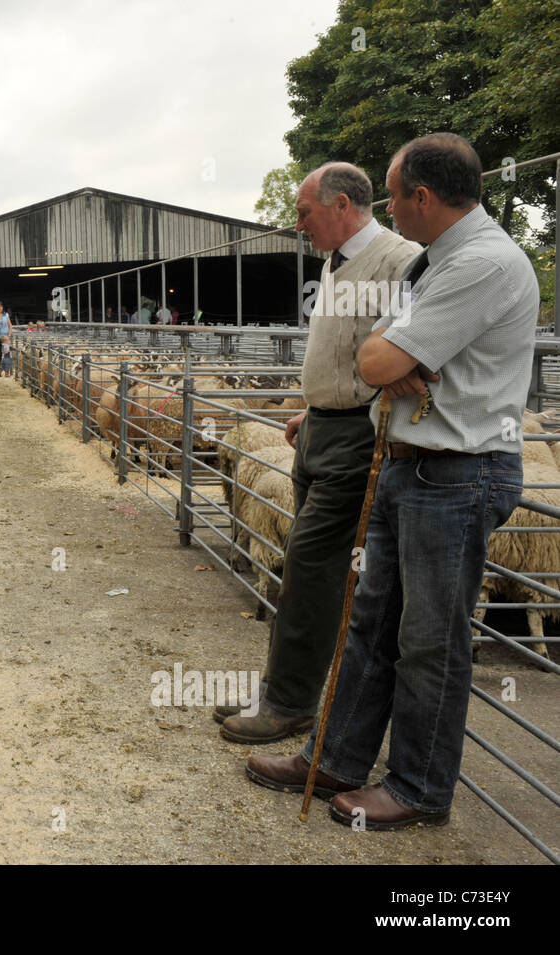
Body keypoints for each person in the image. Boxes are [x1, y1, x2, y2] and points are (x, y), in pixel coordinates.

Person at [246, 133, 537, 830]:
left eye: (396, 194)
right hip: (410, 463)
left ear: (423, 197)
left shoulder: (482, 265)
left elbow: (376, 359)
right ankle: (337, 756)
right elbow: (378, 346)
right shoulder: (436, 263)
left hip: (456, 474)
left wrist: (388, 352)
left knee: (430, 639)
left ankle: (418, 785)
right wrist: (388, 351)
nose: (390, 210)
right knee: (372, 624)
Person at [218, 161, 422, 744]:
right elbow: (347, 347)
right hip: (319, 431)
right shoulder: (334, 264)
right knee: (310, 568)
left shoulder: (398, 260)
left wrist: (357, 406)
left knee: (310, 567)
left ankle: (289, 704)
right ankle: (284, 689)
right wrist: (318, 406)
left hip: (361, 438)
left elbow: (409, 348)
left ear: (340, 205)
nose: (299, 224)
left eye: (305, 212)